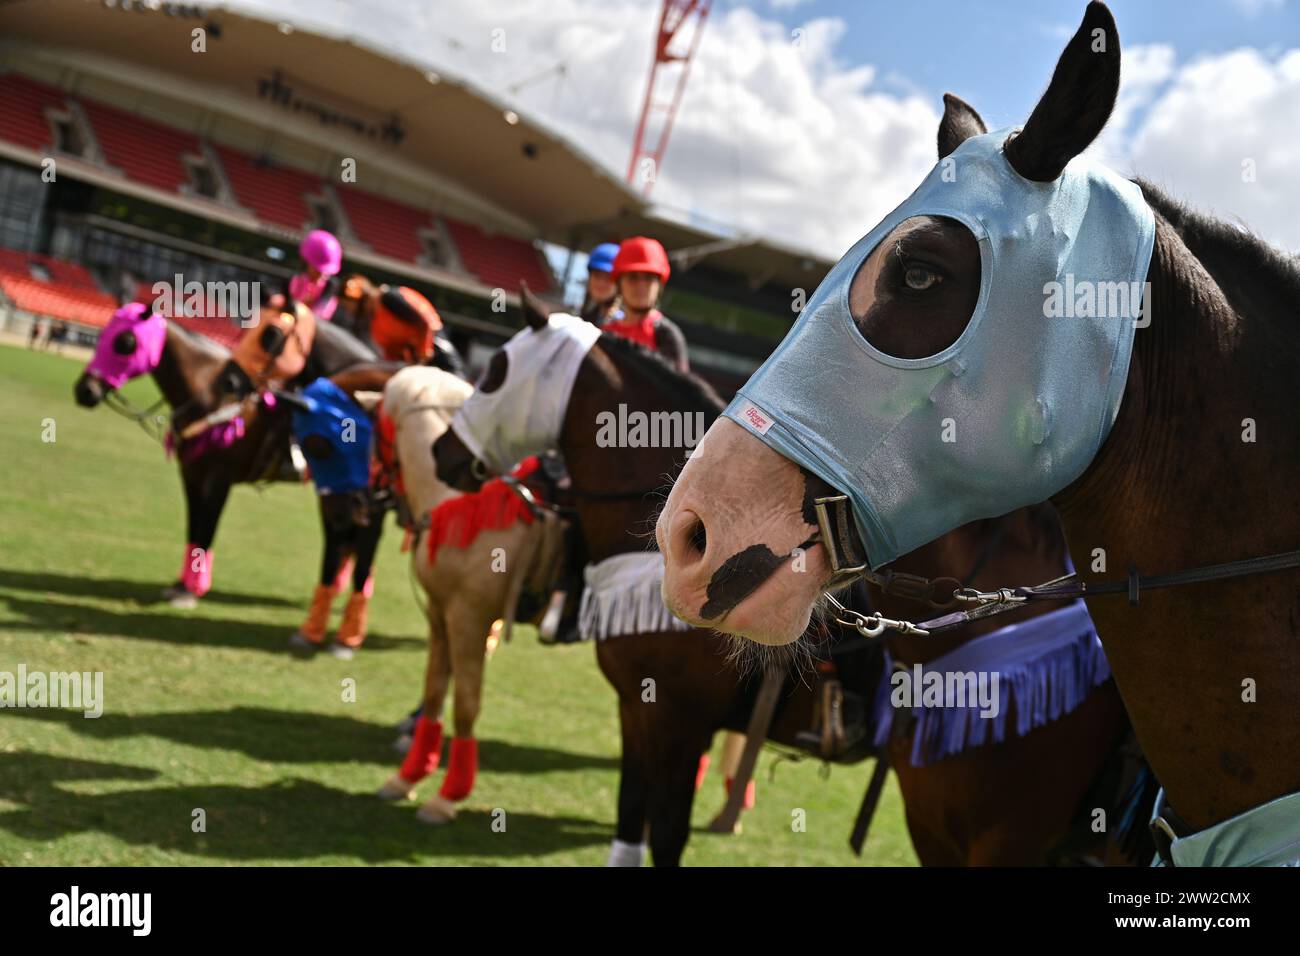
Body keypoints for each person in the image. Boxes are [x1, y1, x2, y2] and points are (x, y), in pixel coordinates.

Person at [336, 275, 465, 377]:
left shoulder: (390, 297)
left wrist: (421, 357)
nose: (348, 311)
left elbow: (424, 322)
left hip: (438, 359)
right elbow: (390, 353)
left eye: (346, 305)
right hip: (413, 366)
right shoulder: (373, 320)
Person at [603, 237, 689, 372]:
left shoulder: (667, 335)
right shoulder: (605, 334)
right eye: (633, 277)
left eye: (649, 278)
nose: (641, 286)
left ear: (659, 285)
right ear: (619, 283)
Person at [291, 229, 342, 321]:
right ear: (306, 263)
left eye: (326, 272)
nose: (322, 274)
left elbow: (321, 316)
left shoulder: (329, 288)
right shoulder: (295, 280)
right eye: (317, 270)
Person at [580, 242, 619, 325]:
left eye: (609, 278)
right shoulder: (589, 317)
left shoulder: (622, 322)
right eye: (597, 275)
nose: (601, 283)